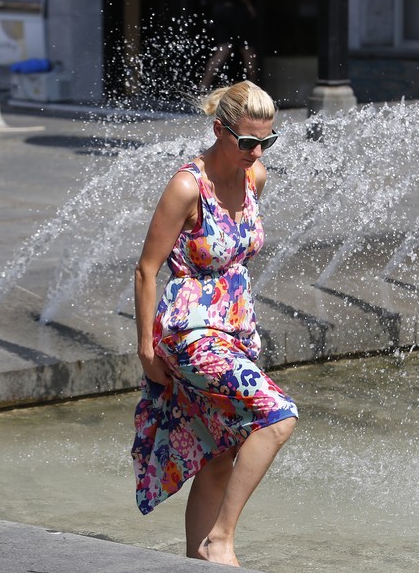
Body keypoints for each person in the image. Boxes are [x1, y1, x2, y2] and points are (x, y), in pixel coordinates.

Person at [131, 81, 298, 566]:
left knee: (219, 450)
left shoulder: (255, 178)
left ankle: (198, 560)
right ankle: (220, 537)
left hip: (234, 332)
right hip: (189, 332)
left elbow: (237, 258)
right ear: (219, 129)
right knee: (277, 415)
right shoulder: (188, 185)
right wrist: (146, 349)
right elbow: (146, 269)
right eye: (247, 141)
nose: (256, 151)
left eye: (266, 141)